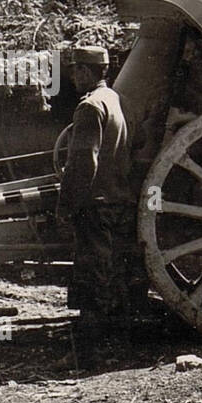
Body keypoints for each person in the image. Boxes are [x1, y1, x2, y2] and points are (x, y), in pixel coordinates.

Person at [59, 46, 143, 341]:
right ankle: (115, 343)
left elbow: (83, 163)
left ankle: (88, 351)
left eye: (75, 70)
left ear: (85, 71)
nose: (72, 76)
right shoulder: (118, 101)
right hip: (119, 200)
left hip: (94, 204)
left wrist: (67, 205)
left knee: (91, 275)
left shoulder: (90, 107)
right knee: (114, 273)